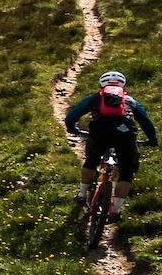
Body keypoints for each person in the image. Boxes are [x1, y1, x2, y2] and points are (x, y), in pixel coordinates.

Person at [66, 70, 157, 222]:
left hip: (99, 133)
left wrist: (72, 128)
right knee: (126, 173)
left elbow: (72, 115)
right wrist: (152, 140)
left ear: (102, 84)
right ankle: (116, 211)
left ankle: (82, 195)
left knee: (91, 162)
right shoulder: (130, 101)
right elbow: (146, 122)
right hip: (126, 135)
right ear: (123, 85)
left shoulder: (95, 98)